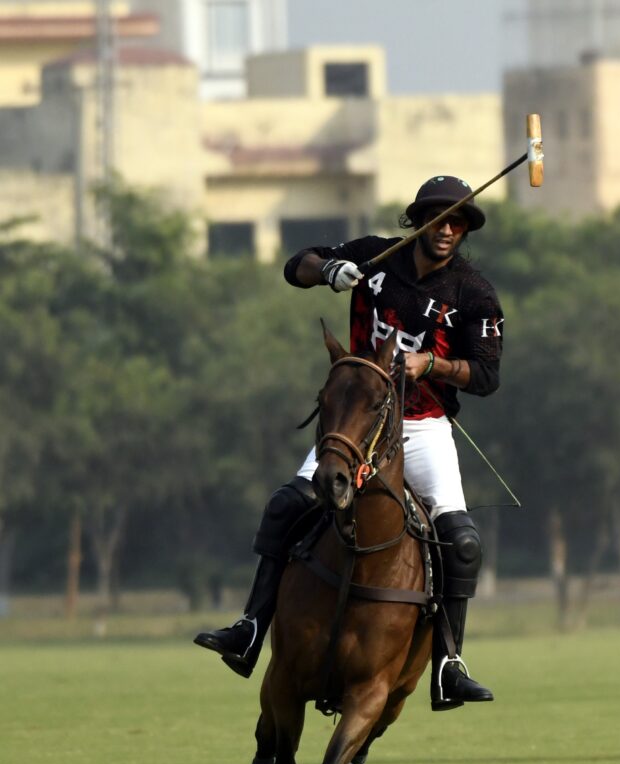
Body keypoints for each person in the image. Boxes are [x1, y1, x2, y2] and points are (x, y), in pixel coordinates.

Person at [195, 175, 504, 711]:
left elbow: (485, 375)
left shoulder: (473, 293)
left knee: (462, 539)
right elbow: (297, 265)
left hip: (424, 426)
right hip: (356, 419)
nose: (447, 229)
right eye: (437, 218)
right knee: (287, 503)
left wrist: (430, 363)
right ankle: (250, 627)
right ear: (418, 220)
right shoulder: (377, 257)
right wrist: (331, 270)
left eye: (457, 221)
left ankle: (449, 663)